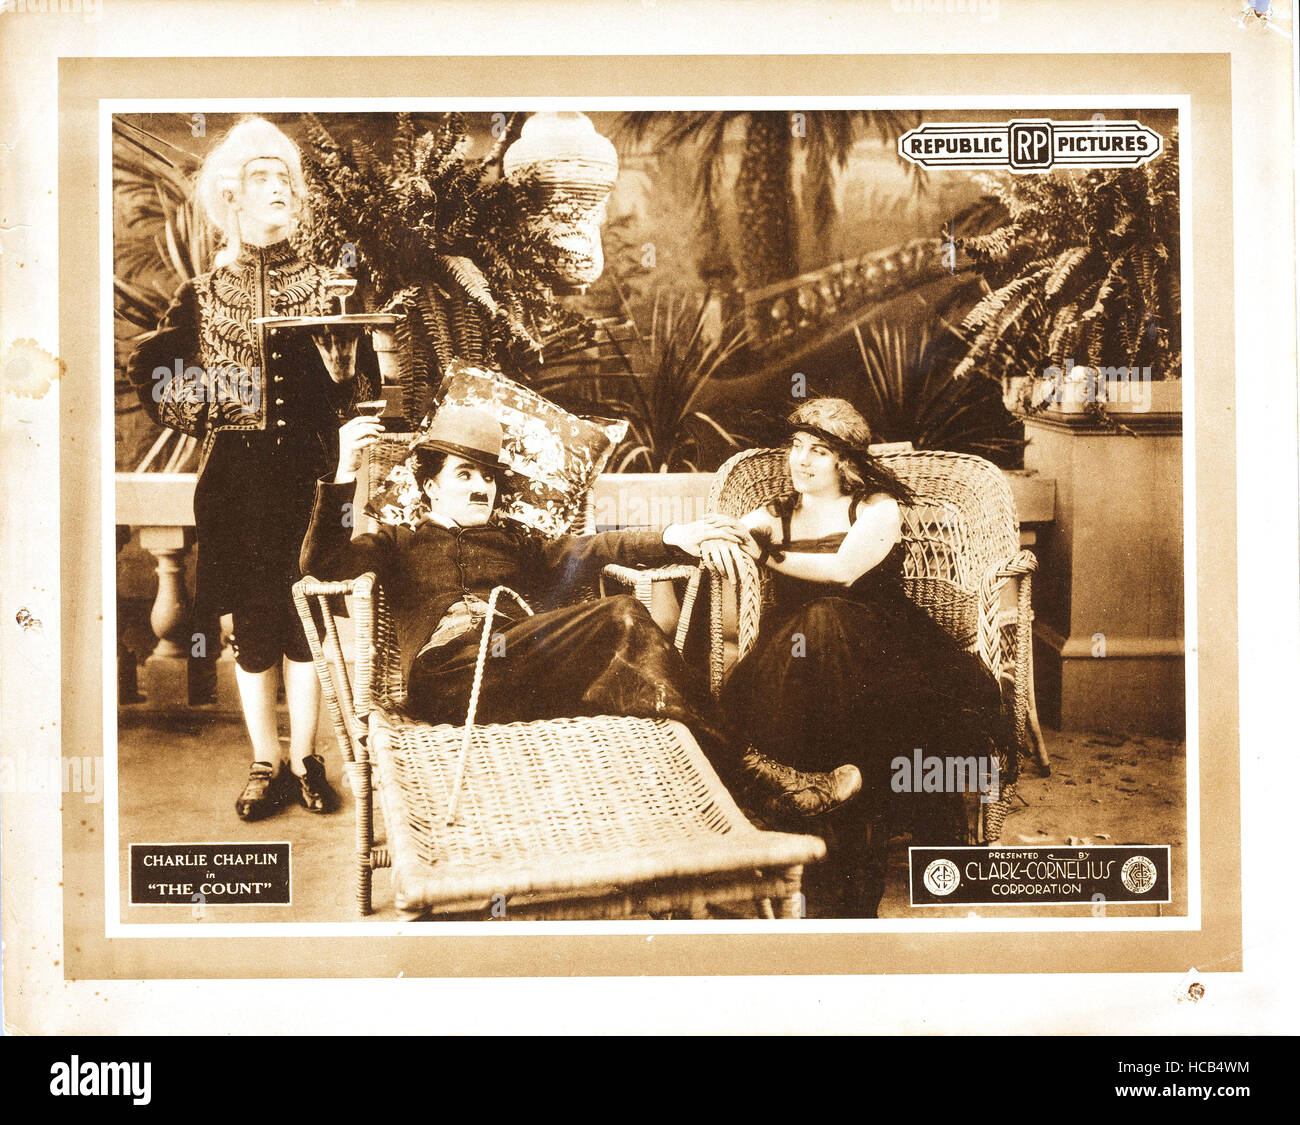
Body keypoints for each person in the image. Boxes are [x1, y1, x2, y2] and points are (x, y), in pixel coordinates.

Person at [299, 406, 864, 822]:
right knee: (619, 616)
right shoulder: (397, 543)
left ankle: (734, 788)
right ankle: (756, 776)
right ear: (429, 486)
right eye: (463, 476)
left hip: (520, 678)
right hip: (447, 679)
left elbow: (594, 549)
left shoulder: (517, 542)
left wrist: (676, 533)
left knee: (633, 662)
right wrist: (344, 471)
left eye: (488, 477)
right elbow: (321, 567)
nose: (481, 489)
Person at [126, 117, 366, 821]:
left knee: (310, 621)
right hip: (238, 482)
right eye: (261, 178)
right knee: (255, 624)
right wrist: (210, 399)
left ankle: (307, 759)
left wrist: (346, 373)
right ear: (231, 196)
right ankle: (266, 762)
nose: (278, 190)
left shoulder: (332, 286)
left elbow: (362, 391)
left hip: (315, 475)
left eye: (285, 179)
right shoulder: (201, 295)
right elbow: (156, 371)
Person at [700, 398, 1019, 916]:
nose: (801, 461)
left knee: (829, 618)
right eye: (796, 448)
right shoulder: (772, 514)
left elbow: (844, 572)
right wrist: (723, 539)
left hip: (883, 646)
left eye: (818, 452)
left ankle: (850, 850)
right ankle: (827, 831)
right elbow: (724, 535)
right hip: (798, 651)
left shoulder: (875, 508)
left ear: (844, 462)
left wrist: (766, 553)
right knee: (816, 635)